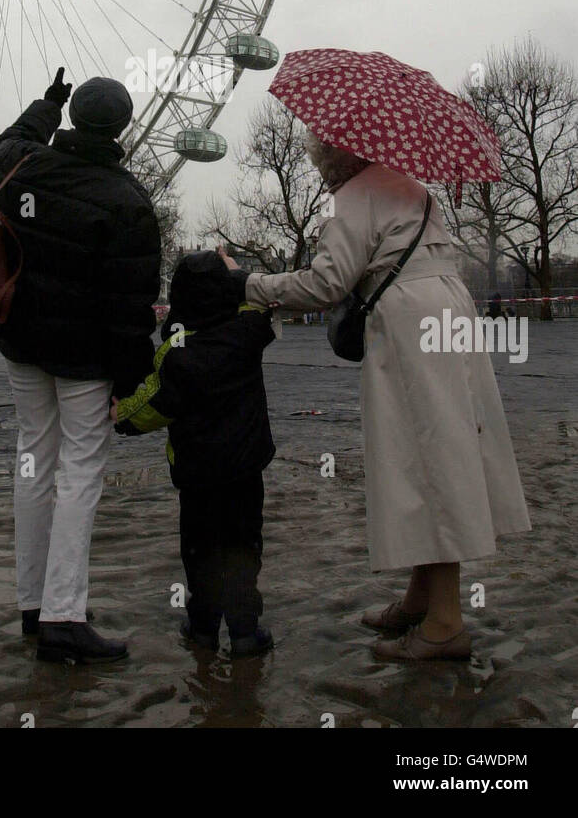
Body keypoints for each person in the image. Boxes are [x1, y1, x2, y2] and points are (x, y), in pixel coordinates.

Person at [220, 131, 531, 663]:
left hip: (411, 327)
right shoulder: (412, 186)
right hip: (447, 312)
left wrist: (247, 283)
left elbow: (325, 285)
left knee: (430, 462)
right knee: (436, 452)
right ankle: (421, 598)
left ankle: (446, 623)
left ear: (335, 157)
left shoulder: (355, 195)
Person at [0, 69, 161, 664]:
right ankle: (64, 615)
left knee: (33, 465)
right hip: (85, 361)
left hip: (22, 344)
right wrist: (135, 381)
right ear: (122, 128)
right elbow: (130, 309)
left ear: (74, 118)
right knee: (80, 474)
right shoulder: (128, 201)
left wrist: (46, 104)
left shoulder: (21, 166)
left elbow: (8, 138)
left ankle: (33, 606)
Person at [113, 250, 276, 658]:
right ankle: (244, 632)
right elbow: (260, 301)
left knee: (200, 550)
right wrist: (236, 273)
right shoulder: (249, 332)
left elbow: (153, 405)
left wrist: (122, 417)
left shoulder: (175, 354)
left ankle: (203, 627)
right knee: (243, 546)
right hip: (245, 471)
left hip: (198, 476)